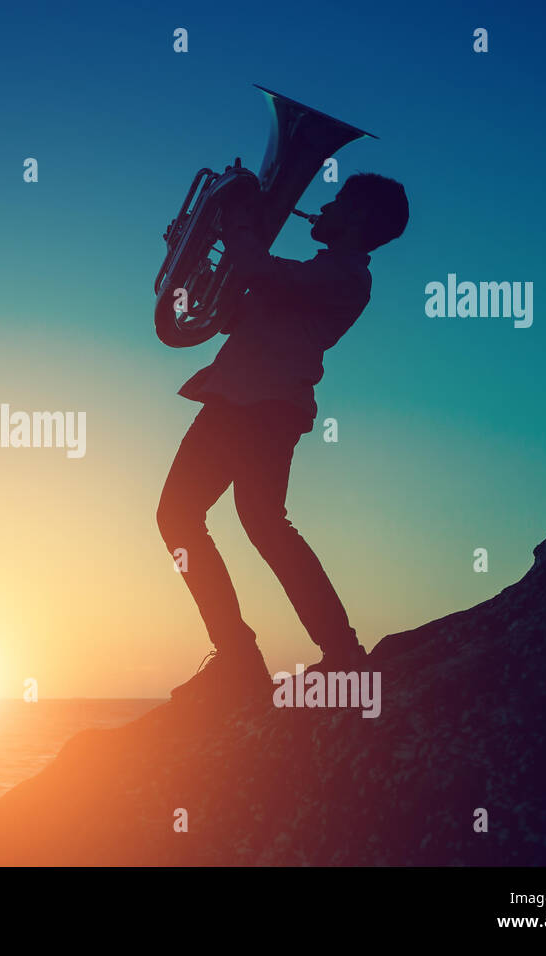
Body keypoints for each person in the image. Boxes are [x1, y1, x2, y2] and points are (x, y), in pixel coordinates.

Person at [157, 172, 409, 706]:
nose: (324, 205)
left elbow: (262, 272)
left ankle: (257, 658)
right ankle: (302, 655)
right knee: (250, 524)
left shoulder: (346, 277)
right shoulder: (314, 273)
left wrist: (236, 224)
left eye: (338, 201)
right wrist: (198, 265)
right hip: (244, 400)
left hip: (257, 407)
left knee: (211, 520)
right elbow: (231, 314)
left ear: (359, 220)